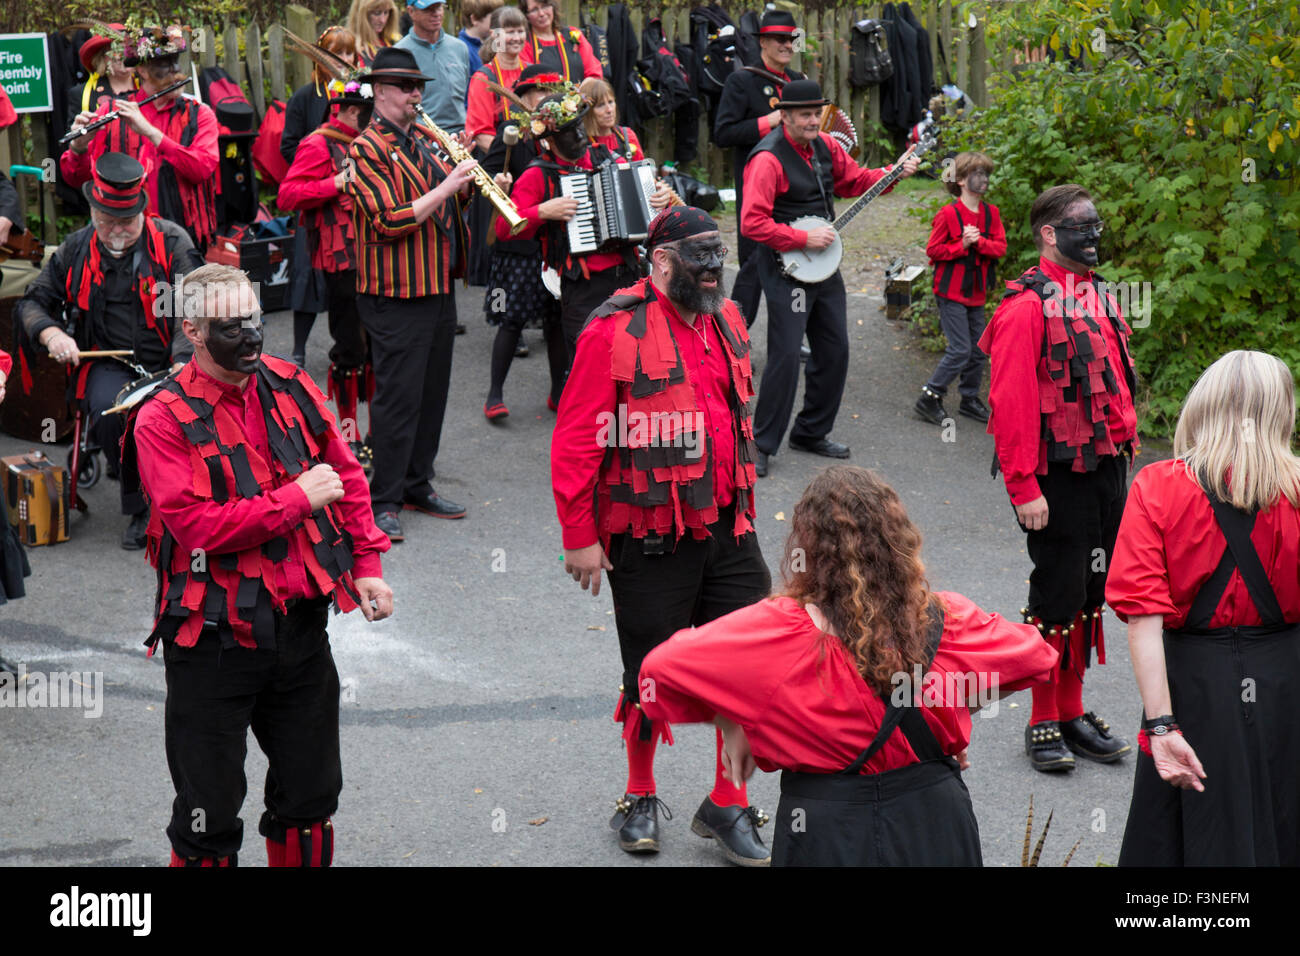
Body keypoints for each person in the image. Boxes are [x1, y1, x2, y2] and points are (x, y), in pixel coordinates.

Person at [640, 466, 1059, 865]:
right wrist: (953, 702)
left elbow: (659, 671)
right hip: (933, 819)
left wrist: (733, 722)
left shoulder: (774, 632)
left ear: (805, 548)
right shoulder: (948, 620)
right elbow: (1035, 657)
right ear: (899, 542)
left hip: (824, 828)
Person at [124, 262, 392, 867]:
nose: (250, 334)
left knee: (313, 794)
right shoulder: (160, 419)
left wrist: (369, 562)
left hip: (300, 631)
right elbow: (194, 527)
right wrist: (297, 499)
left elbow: (346, 477)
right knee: (207, 811)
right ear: (191, 330)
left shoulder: (292, 383)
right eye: (229, 325)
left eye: (254, 317)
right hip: (210, 640)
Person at [553, 206, 771, 865]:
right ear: (661, 262)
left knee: (748, 667)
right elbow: (575, 442)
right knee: (651, 672)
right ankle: (639, 790)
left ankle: (728, 800)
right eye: (699, 262)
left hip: (730, 528)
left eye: (718, 260)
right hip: (647, 535)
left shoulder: (729, 318)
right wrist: (579, 536)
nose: (713, 273)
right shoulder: (612, 330)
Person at [1108, 351, 1300, 866]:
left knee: (1193, 845)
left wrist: (1162, 726)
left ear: (1205, 405)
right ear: (1282, 411)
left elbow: (1143, 621)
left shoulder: (1157, 486)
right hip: (1288, 686)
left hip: (1193, 690)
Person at [979, 183, 1136, 773]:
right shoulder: (1024, 308)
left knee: (1093, 592)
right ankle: (1042, 717)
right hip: (1055, 478)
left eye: (1096, 225)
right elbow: (1011, 403)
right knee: (1058, 592)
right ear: (1049, 234)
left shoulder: (1098, 293)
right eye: (1081, 226)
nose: (1094, 235)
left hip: (1106, 469)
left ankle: (1071, 708)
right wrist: (1023, 488)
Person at [14, 153, 203, 550]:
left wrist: (183, 363)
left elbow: (194, 305)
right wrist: (52, 335)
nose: (116, 230)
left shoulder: (172, 242)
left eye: (126, 223)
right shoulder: (76, 248)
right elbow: (32, 302)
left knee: (176, 410)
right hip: (108, 364)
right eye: (107, 221)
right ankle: (142, 506)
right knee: (109, 413)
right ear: (93, 212)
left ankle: (193, 499)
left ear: (142, 214)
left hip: (170, 360)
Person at [744, 79, 919, 478]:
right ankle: (762, 443)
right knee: (787, 354)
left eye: (815, 113)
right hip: (784, 266)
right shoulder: (767, 159)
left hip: (822, 265)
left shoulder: (826, 146)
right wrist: (802, 237)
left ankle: (810, 431)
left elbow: (856, 182)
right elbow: (752, 222)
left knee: (835, 349)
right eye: (803, 114)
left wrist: (893, 173)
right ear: (784, 116)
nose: (811, 120)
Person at [346, 47, 478, 542]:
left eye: (419, 87)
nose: (416, 95)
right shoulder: (364, 150)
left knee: (432, 392)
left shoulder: (424, 137)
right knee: (397, 399)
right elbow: (390, 219)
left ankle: (418, 483)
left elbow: (449, 203)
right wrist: (447, 185)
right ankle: (383, 499)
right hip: (394, 292)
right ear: (380, 93)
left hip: (437, 285)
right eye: (405, 87)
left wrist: (467, 179)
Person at [500, 86, 671, 369]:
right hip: (583, 287)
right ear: (551, 139)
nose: (580, 135)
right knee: (592, 367)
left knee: (634, 362)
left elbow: (647, 199)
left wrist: (660, 198)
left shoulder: (607, 157)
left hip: (630, 276)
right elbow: (505, 229)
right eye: (570, 131)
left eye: (580, 125)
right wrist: (542, 211)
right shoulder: (536, 175)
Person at [277, 66, 375, 468]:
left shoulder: (377, 141)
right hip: (343, 261)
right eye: (371, 110)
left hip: (382, 255)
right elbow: (287, 196)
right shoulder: (318, 144)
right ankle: (349, 437)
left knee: (380, 350)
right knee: (350, 350)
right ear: (351, 111)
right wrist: (334, 185)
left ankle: (375, 435)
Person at [62, 23, 219, 251]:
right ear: (142, 70)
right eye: (164, 64)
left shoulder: (199, 114)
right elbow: (78, 179)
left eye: (176, 62)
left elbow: (201, 169)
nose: (176, 71)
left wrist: (152, 133)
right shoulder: (111, 112)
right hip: (125, 240)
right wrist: (77, 148)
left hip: (185, 240)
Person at [480, 65, 565, 419]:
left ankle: (558, 393)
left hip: (553, 242)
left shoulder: (563, 133)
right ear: (525, 99)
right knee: (510, 320)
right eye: (540, 94)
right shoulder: (511, 133)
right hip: (517, 243)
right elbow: (489, 172)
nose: (546, 100)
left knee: (556, 322)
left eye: (552, 94)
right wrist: (501, 185)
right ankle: (494, 395)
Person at [711, 9, 805, 327]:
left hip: (795, 186)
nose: (787, 45)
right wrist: (771, 120)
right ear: (763, 41)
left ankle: (793, 332)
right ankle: (734, 335)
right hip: (756, 187)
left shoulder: (799, 82)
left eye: (791, 39)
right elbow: (723, 134)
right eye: (780, 39)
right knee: (753, 263)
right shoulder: (742, 80)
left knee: (797, 261)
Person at [281, 26, 359, 368]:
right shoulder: (304, 96)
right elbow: (289, 148)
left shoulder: (360, 93)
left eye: (348, 53)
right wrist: (329, 172)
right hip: (319, 206)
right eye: (336, 53)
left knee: (351, 298)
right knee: (307, 277)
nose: (343, 60)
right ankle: (298, 348)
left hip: (354, 222)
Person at [915, 150, 1005, 426]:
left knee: (979, 349)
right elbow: (933, 251)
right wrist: (961, 246)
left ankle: (968, 398)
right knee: (960, 350)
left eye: (986, 174)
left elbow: (1000, 248)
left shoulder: (991, 214)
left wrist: (978, 243)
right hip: (950, 292)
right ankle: (930, 396)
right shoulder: (948, 214)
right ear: (962, 180)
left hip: (976, 293)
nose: (984, 179)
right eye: (977, 174)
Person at [396, 0, 471, 135]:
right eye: (428, 9)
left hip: (460, 136)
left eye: (439, 8)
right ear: (411, 12)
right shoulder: (399, 53)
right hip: (420, 137)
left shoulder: (459, 48)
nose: (436, 14)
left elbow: (467, 96)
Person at [466, 6, 529, 153]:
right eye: (509, 32)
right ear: (494, 35)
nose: (516, 38)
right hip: (498, 163)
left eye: (520, 31)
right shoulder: (484, 79)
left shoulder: (530, 72)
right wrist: (514, 159)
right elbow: (481, 135)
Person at [65, 24, 135, 136]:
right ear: (103, 57)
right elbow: (72, 145)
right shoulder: (81, 94)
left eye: (129, 49)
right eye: (118, 50)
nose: (125, 55)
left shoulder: (148, 86)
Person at [519, 0, 603, 82]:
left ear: (553, 7)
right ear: (526, 16)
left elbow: (594, 73)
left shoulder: (574, 35)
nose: (541, 13)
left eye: (545, 6)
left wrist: (587, 85)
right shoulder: (524, 44)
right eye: (534, 10)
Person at [579, 77, 642, 161]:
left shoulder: (627, 136)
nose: (609, 110)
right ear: (587, 110)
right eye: (600, 105)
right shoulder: (580, 144)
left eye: (610, 102)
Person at [459, 0, 503, 76]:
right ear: (475, 19)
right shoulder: (462, 50)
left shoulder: (495, 41)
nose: (500, 22)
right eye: (494, 18)